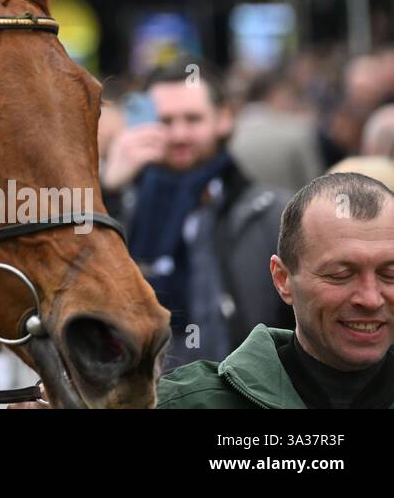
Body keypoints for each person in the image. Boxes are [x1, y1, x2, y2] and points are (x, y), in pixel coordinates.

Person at [102, 59, 293, 370]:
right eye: (165, 121)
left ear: (225, 119)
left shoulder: (273, 213)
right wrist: (107, 194)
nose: (179, 135)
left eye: (192, 119)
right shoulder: (120, 204)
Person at [158, 171, 394, 408]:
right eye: (340, 275)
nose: (371, 299)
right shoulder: (188, 402)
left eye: (390, 274)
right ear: (282, 279)